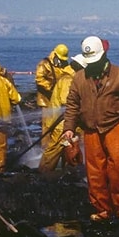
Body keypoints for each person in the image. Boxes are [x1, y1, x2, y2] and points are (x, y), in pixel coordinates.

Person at [62, 36, 119, 223]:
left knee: (118, 169)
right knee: (95, 171)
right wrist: (69, 128)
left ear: (104, 55)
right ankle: (102, 210)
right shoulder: (79, 78)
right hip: (90, 128)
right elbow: (72, 105)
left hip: (117, 124)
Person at [34, 44, 76, 176]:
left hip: (58, 101)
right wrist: (53, 89)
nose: (63, 61)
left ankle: (61, 158)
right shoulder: (44, 64)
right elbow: (39, 80)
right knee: (47, 128)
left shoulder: (64, 65)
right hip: (47, 101)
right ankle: (46, 154)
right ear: (55, 55)